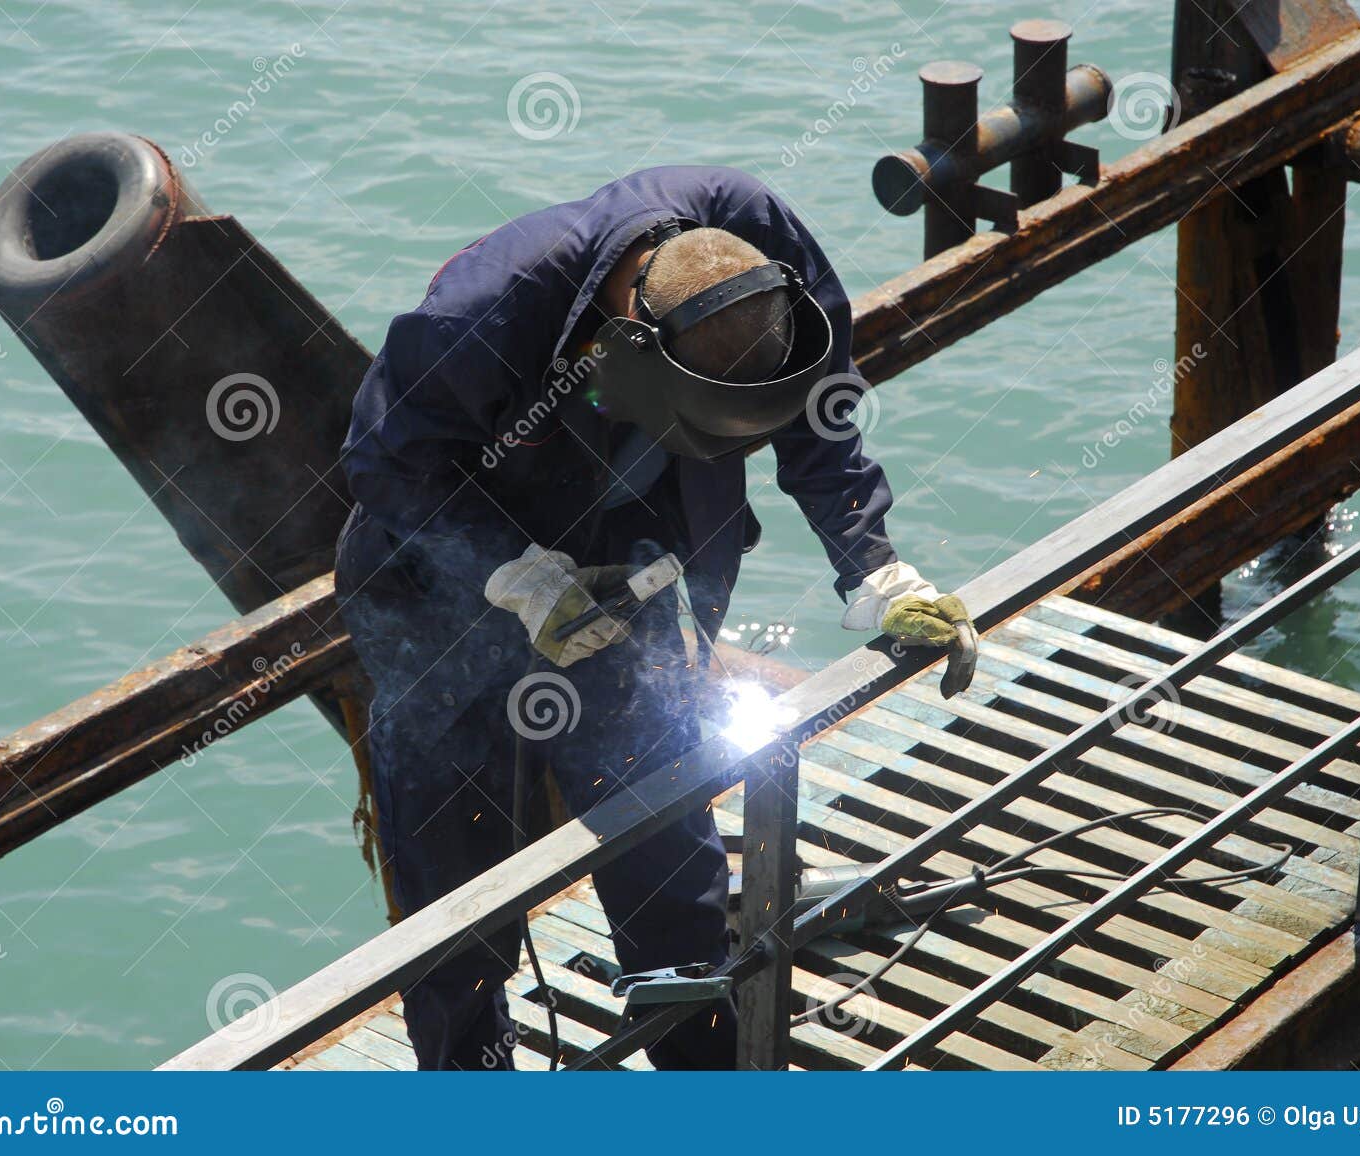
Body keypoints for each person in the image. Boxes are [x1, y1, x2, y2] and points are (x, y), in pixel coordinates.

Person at [335, 166, 977, 1070]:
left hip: (617, 579)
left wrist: (876, 567)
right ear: (626, 350)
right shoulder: (483, 310)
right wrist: (520, 577)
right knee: (458, 904)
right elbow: (384, 462)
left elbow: (819, 409)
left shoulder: (756, 242)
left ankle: (703, 1083)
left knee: (666, 855)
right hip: (441, 601)